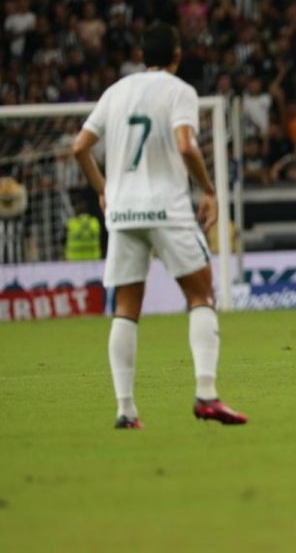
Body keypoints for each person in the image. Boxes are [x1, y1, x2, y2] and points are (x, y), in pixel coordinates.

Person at [71, 23, 247, 429]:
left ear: (141, 55)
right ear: (177, 54)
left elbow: (79, 146)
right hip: (166, 207)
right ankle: (206, 394)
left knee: (126, 308)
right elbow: (185, 144)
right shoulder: (179, 91)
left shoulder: (115, 92)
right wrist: (208, 188)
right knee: (201, 294)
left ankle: (126, 409)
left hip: (124, 212)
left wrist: (104, 190)